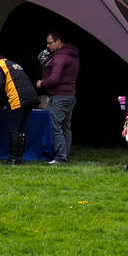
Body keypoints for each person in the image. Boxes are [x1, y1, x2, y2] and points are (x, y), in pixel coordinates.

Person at [0, 51, 40, 164]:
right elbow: (10, 85)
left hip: (18, 99)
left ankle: (12, 159)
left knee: (14, 129)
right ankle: (18, 159)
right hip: (30, 98)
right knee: (22, 129)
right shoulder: (11, 64)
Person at [38, 30, 80, 164]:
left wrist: (41, 83)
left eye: (50, 43)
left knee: (55, 125)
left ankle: (61, 158)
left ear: (58, 42)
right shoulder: (72, 55)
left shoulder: (60, 57)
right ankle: (64, 156)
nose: (48, 46)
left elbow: (54, 79)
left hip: (60, 96)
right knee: (65, 127)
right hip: (70, 96)